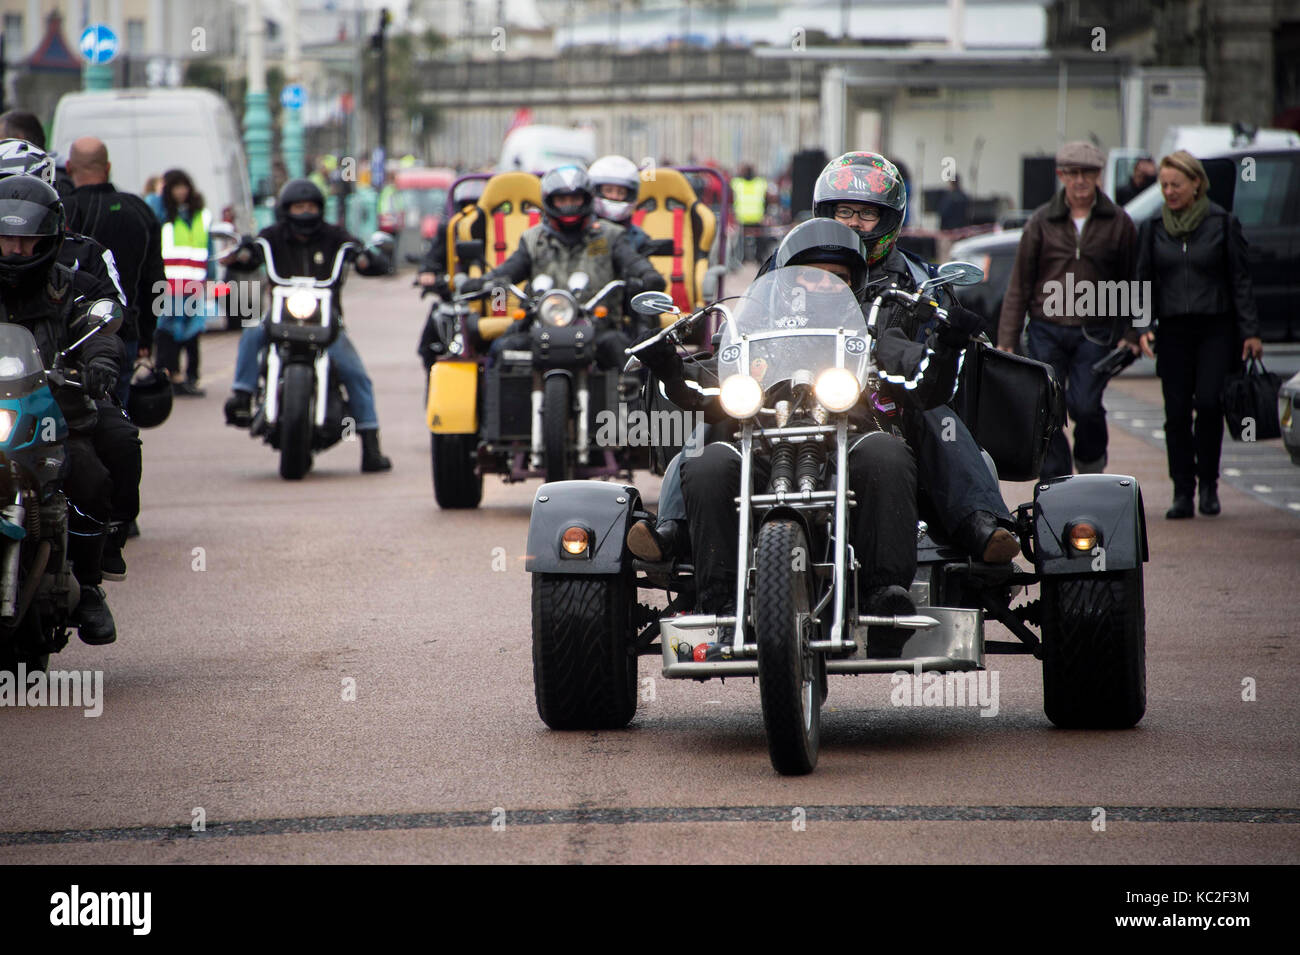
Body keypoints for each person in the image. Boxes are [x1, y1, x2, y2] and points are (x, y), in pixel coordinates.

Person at [630, 152, 1019, 566]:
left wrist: (943, 343)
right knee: (721, 410)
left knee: (935, 413)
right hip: (781, 393)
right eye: (843, 211)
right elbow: (744, 332)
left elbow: (930, 357)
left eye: (866, 214)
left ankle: (980, 522)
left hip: (879, 394)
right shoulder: (783, 264)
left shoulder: (918, 278)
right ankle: (673, 527)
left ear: (889, 220)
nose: (853, 222)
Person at [637, 220, 981, 657]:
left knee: (886, 452)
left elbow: (924, 383)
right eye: (808, 273)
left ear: (853, 283)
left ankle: (885, 594)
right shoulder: (755, 341)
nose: (821, 284)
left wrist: (948, 346)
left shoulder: (874, 333)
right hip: (764, 450)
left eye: (835, 278)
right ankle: (719, 602)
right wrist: (667, 363)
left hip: (847, 450)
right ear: (785, 279)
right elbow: (701, 386)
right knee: (708, 463)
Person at [0, 145, 143, 575]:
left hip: (58, 406)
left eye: (28, 240)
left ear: (49, 238)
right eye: (8, 238)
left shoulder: (72, 284)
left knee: (102, 466)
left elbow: (99, 325)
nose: (17, 250)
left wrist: (98, 364)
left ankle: (93, 573)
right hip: (5, 406)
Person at [223, 178, 394, 472]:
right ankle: (242, 395)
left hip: (327, 321)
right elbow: (250, 253)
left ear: (320, 209)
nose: (305, 212)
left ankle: (371, 446)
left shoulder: (335, 237)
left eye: (311, 206)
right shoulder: (272, 236)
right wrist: (244, 254)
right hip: (280, 315)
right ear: (286, 209)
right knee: (252, 333)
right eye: (299, 207)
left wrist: (367, 259)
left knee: (355, 372)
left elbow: (361, 253)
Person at [997, 141, 1141, 480]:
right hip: (1046, 328)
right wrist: (1007, 338)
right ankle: (1057, 478)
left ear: (1098, 177)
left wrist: (1133, 332)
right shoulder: (1041, 222)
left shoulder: (1119, 222)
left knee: (1085, 406)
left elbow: (1135, 279)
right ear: (1062, 176)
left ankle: (1092, 465)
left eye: (1088, 174)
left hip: (1095, 330)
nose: (1080, 181)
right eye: (1073, 174)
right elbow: (1019, 282)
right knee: (1047, 407)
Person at [1136, 150, 1262, 519]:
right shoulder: (1153, 227)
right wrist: (1143, 326)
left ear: (1196, 184)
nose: (1169, 192)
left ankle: (1209, 485)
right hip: (1173, 330)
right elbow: (1142, 281)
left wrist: (1251, 332)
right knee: (1175, 413)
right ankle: (1182, 491)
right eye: (1163, 186)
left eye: (1176, 184)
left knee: (1209, 404)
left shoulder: (1222, 223)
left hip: (1215, 329)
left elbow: (1240, 280)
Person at [458, 164, 665, 370]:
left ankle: (635, 402)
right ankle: (496, 404)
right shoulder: (533, 238)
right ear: (550, 201)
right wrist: (483, 283)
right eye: (562, 199)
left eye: (575, 198)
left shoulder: (611, 235)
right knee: (502, 349)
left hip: (598, 327)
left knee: (630, 355)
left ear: (586, 199)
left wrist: (647, 274)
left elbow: (631, 260)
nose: (569, 205)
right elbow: (510, 269)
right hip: (540, 325)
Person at [61, 138, 168, 406]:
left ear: (70, 167)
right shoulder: (139, 210)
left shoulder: (62, 211)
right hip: (123, 332)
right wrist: (146, 335)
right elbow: (155, 280)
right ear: (108, 167)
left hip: (68, 338)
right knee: (117, 414)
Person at [156, 169, 210, 397]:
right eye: (175, 186)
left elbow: (209, 249)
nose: (181, 191)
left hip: (194, 284)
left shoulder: (200, 214)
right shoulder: (161, 212)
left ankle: (191, 377)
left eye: (184, 186)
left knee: (192, 332)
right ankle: (169, 374)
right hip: (169, 285)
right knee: (168, 332)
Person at [588, 154, 652, 254]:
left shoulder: (639, 236)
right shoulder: (583, 230)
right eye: (608, 191)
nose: (614, 196)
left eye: (621, 192)